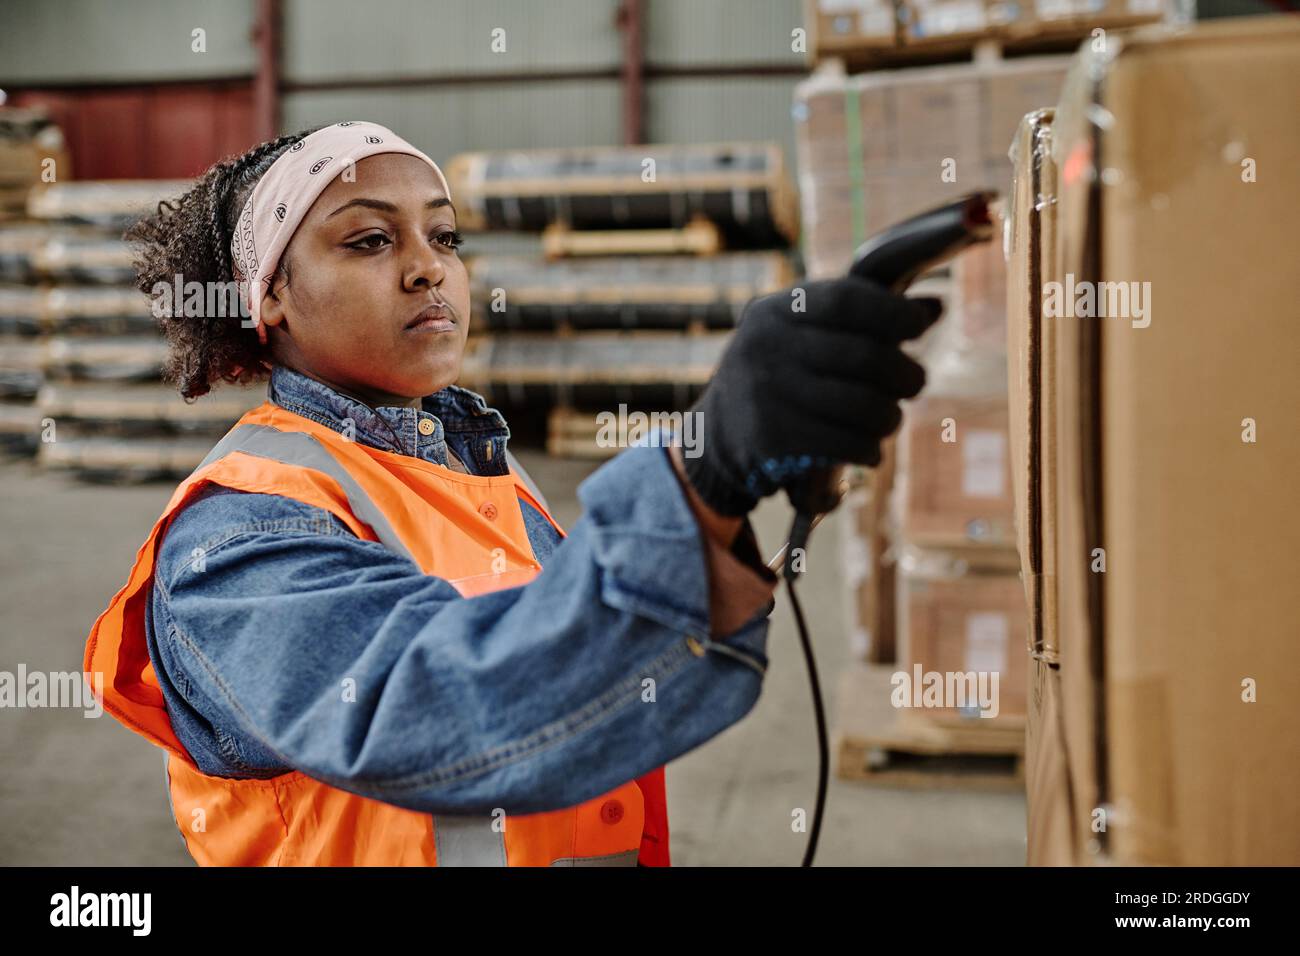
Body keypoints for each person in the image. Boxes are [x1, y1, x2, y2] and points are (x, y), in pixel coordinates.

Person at [84, 121, 939, 867]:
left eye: (445, 237)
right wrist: (696, 479)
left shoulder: (474, 463)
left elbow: (576, 660)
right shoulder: (235, 533)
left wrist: (721, 505)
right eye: (370, 242)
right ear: (268, 293)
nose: (429, 271)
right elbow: (433, 704)